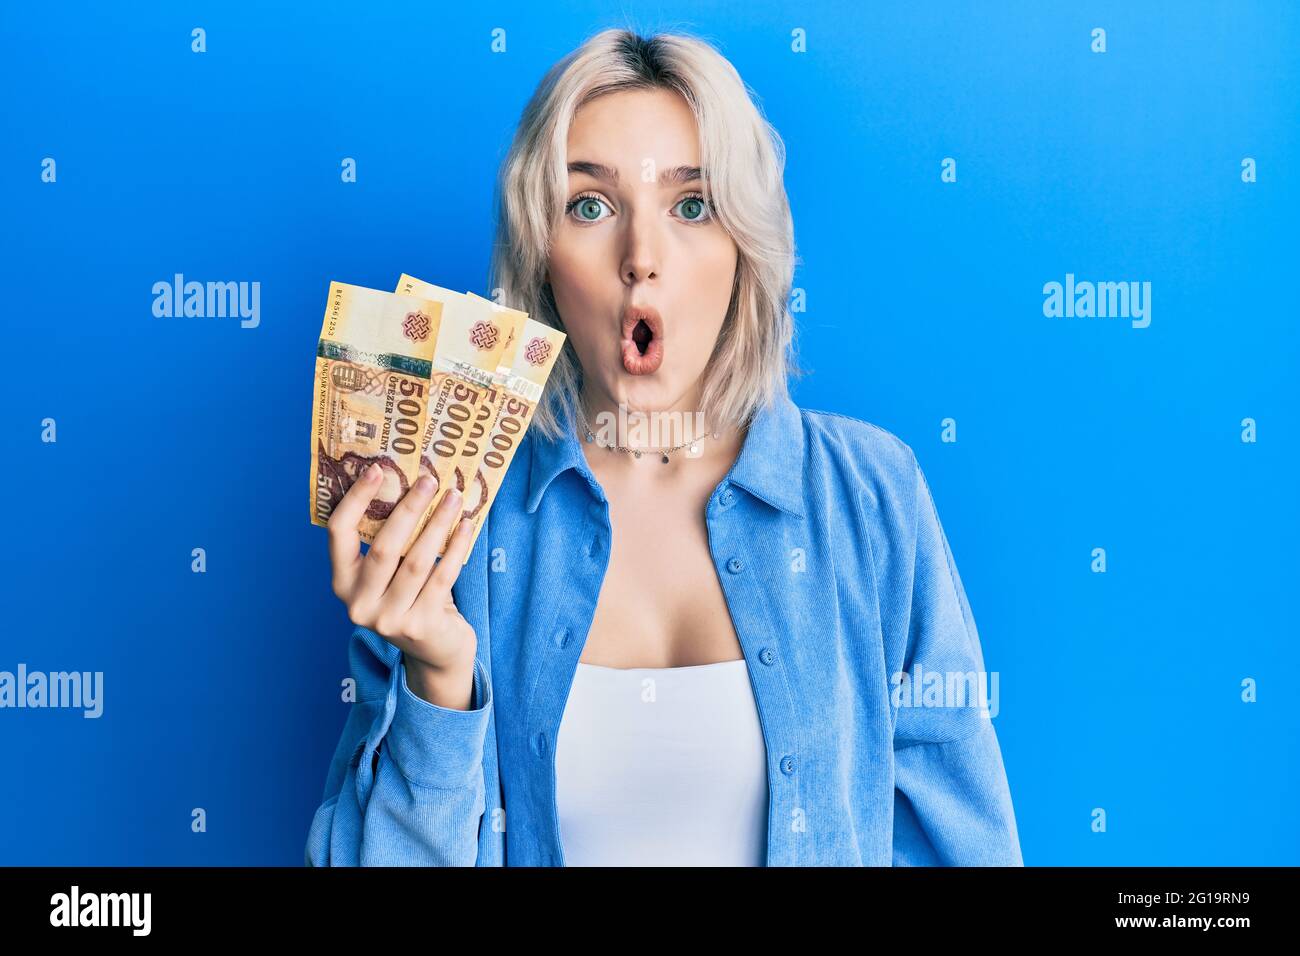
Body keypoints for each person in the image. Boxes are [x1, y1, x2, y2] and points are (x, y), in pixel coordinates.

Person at [305, 27, 1023, 866]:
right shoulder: (460, 519)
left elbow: (963, 849)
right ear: (541, 258)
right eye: (590, 206)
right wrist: (437, 680)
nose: (640, 260)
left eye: (692, 205)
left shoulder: (871, 493)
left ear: (744, 246)